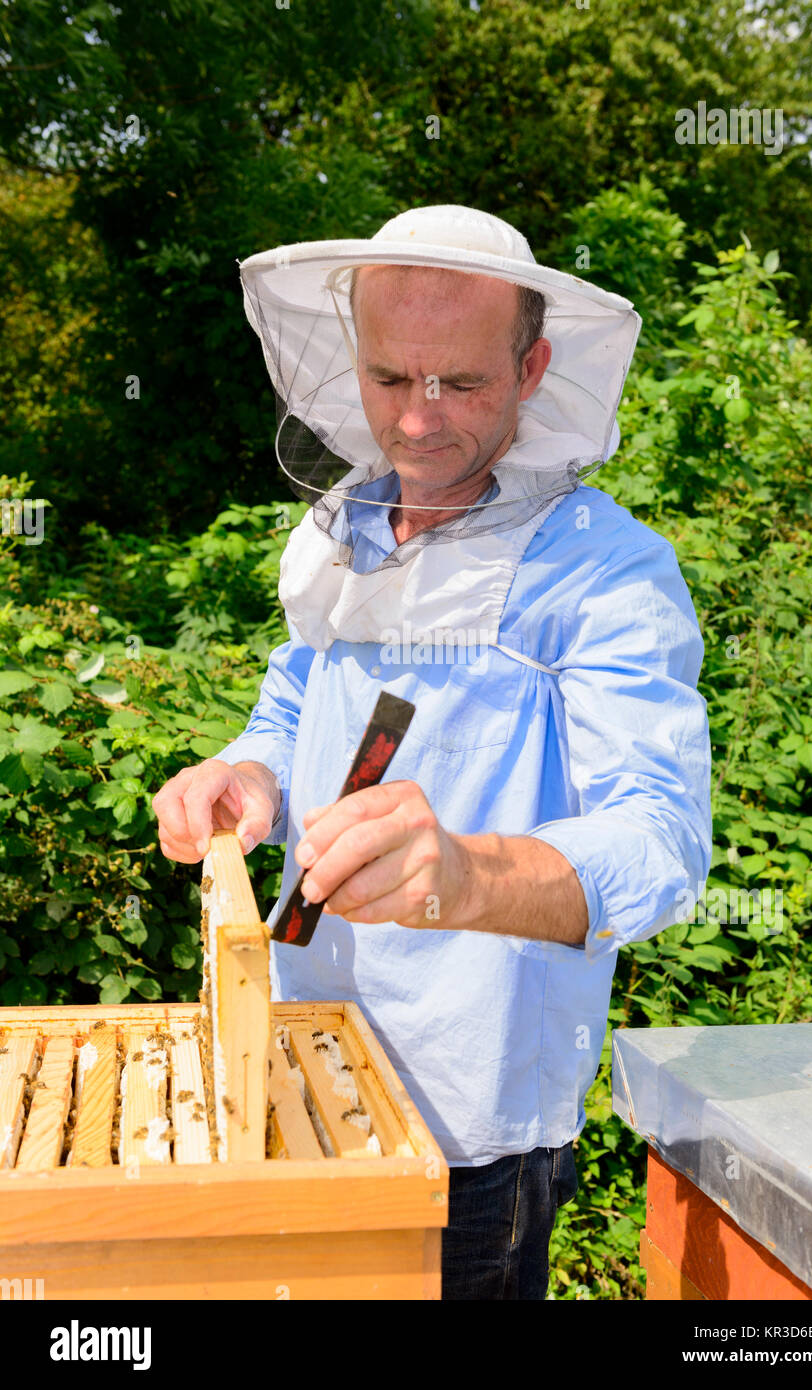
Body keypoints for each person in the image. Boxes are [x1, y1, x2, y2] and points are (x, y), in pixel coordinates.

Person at [152, 204, 712, 1300]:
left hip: (468, 1135)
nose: (416, 421)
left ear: (534, 363)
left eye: (459, 381)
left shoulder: (608, 573)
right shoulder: (343, 530)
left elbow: (660, 844)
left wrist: (462, 874)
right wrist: (250, 773)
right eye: (390, 378)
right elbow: (303, 689)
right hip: (300, 1057)